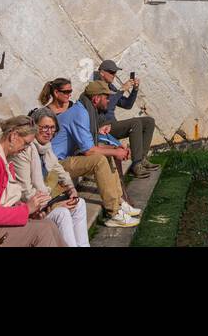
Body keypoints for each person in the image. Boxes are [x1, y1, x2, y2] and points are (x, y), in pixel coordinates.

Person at [43, 78, 141, 228]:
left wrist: (115, 149)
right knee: (99, 159)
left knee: (108, 154)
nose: (109, 101)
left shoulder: (85, 109)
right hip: (54, 165)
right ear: (96, 98)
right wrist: (114, 152)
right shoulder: (81, 113)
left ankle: (119, 201)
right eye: (106, 97)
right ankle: (113, 213)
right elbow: (89, 151)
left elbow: (90, 144)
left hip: (64, 159)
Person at [0, 117, 63, 247]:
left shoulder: (4, 161)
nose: (26, 149)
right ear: (13, 136)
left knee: (49, 225)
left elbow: (3, 202)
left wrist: (27, 210)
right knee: (43, 231)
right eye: (26, 143)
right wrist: (25, 210)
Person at [10, 107, 89, 247]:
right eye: (45, 127)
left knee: (80, 203)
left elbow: (57, 168)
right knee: (62, 213)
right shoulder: (24, 150)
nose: (49, 132)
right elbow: (25, 192)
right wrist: (52, 205)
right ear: (34, 127)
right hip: (32, 209)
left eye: (52, 128)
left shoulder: (45, 147)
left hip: (46, 199)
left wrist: (71, 188)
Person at [93, 58, 158, 178]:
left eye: (115, 72)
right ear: (102, 72)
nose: (114, 75)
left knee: (149, 121)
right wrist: (122, 90)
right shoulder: (96, 87)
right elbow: (106, 107)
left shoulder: (110, 87)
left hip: (112, 125)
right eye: (111, 72)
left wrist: (135, 90)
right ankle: (136, 164)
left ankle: (142, 158)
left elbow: (127, 105)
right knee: (135, 123)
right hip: (103, 128)